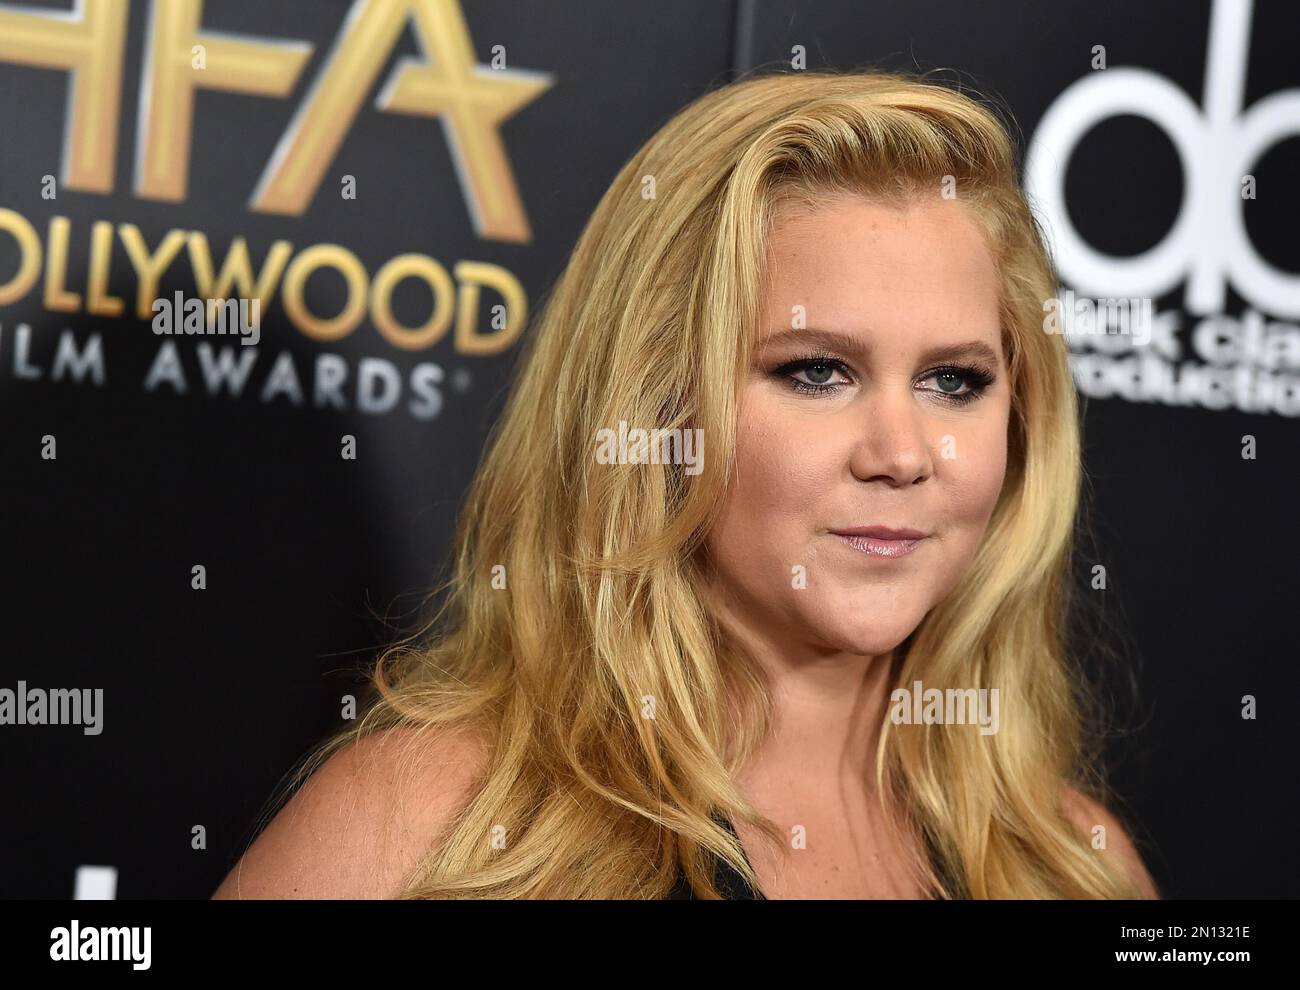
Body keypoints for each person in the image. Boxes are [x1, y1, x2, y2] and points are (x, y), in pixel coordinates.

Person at [213, 67, 1159, 900]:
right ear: (660, 405)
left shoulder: (1073, 867)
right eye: (816, 372)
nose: (902, 454)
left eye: (955, 382)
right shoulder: (434, 827)